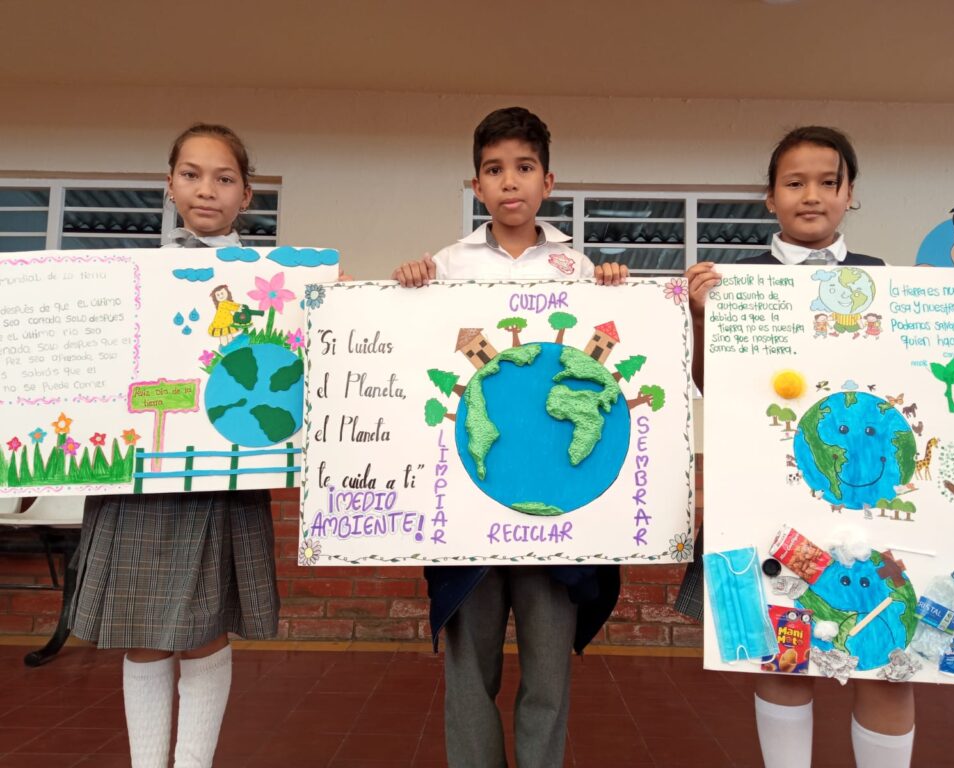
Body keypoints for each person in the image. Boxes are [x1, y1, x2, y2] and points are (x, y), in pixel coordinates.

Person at [680, 125, 954, 768]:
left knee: (889, 659)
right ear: (770, 197)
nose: (812, 195)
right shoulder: (733, 285)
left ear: (850, 194)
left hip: (884, 514)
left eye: (828, 182)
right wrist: (701, 318)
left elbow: (946, 368)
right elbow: (708, 385)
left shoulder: (893, 284)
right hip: (774, 505)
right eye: (795, 182)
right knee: (784, 656)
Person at [70, 123, 349, 768]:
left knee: (202, 631)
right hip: (140, 482)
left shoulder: (279, 286)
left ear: (246, 194)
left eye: (224, 178)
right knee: (140, 636)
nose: (207, 190)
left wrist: (337, 303)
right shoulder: (127, 279)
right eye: (191, 175)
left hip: (223, 478)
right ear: (169, 185)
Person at [392, 106, 627, 768]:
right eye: (494, 170)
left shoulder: (576, 268)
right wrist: (409, 287)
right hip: (470, 498)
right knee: (471, 673)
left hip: (561, 501)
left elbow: (608, 343)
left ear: (548, 181)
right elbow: (417, 355)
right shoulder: (447, 264)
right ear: (476, 187)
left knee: (548, 677)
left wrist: (614, 291)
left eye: (523, 168)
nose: (510, 182)